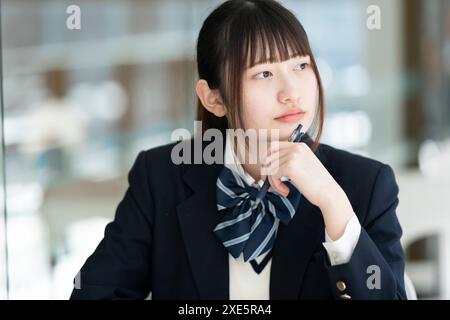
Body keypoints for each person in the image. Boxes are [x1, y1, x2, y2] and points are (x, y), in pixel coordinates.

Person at [70, 0, 406, 300]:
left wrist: (334, 206)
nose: (291, 92)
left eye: (301, 66)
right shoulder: (160, 177)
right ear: (213, 98)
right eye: (263, 73)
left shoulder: (365, 184)